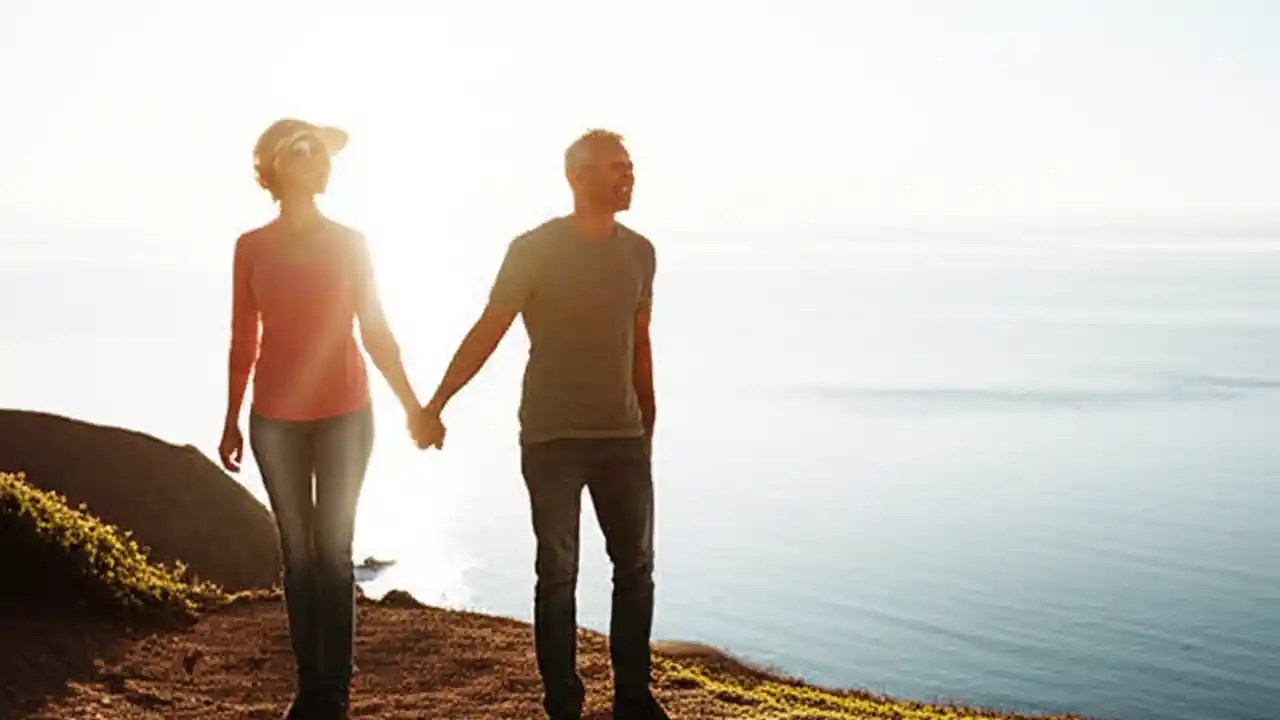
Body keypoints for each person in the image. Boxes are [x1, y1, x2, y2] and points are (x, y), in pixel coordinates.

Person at [415, 129, 668, 720]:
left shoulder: (641, 252)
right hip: (552, 438)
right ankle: (564, 704)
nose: (628, 176)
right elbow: (489, 329)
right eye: (614, 168)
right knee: (558, 574)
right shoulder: (533, 249)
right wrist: (437, 403)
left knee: (635, 569)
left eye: (630, 166)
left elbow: (640, 343)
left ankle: (633, 696)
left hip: (623, 439)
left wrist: (648, 424)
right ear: (577, 176)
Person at [218, 118, 422, 720]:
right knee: (297, 554)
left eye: (321, 154)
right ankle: (310, 684)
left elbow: (376, 330)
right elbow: (241, 338)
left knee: (333, 550)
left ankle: (333, 689)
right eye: (302, 152)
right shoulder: (250, 247)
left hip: (345, 414)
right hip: (273, 419)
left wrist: (413, 406)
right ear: (273, 167)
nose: (317, 161)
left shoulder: (351, 242)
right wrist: (230, 419)